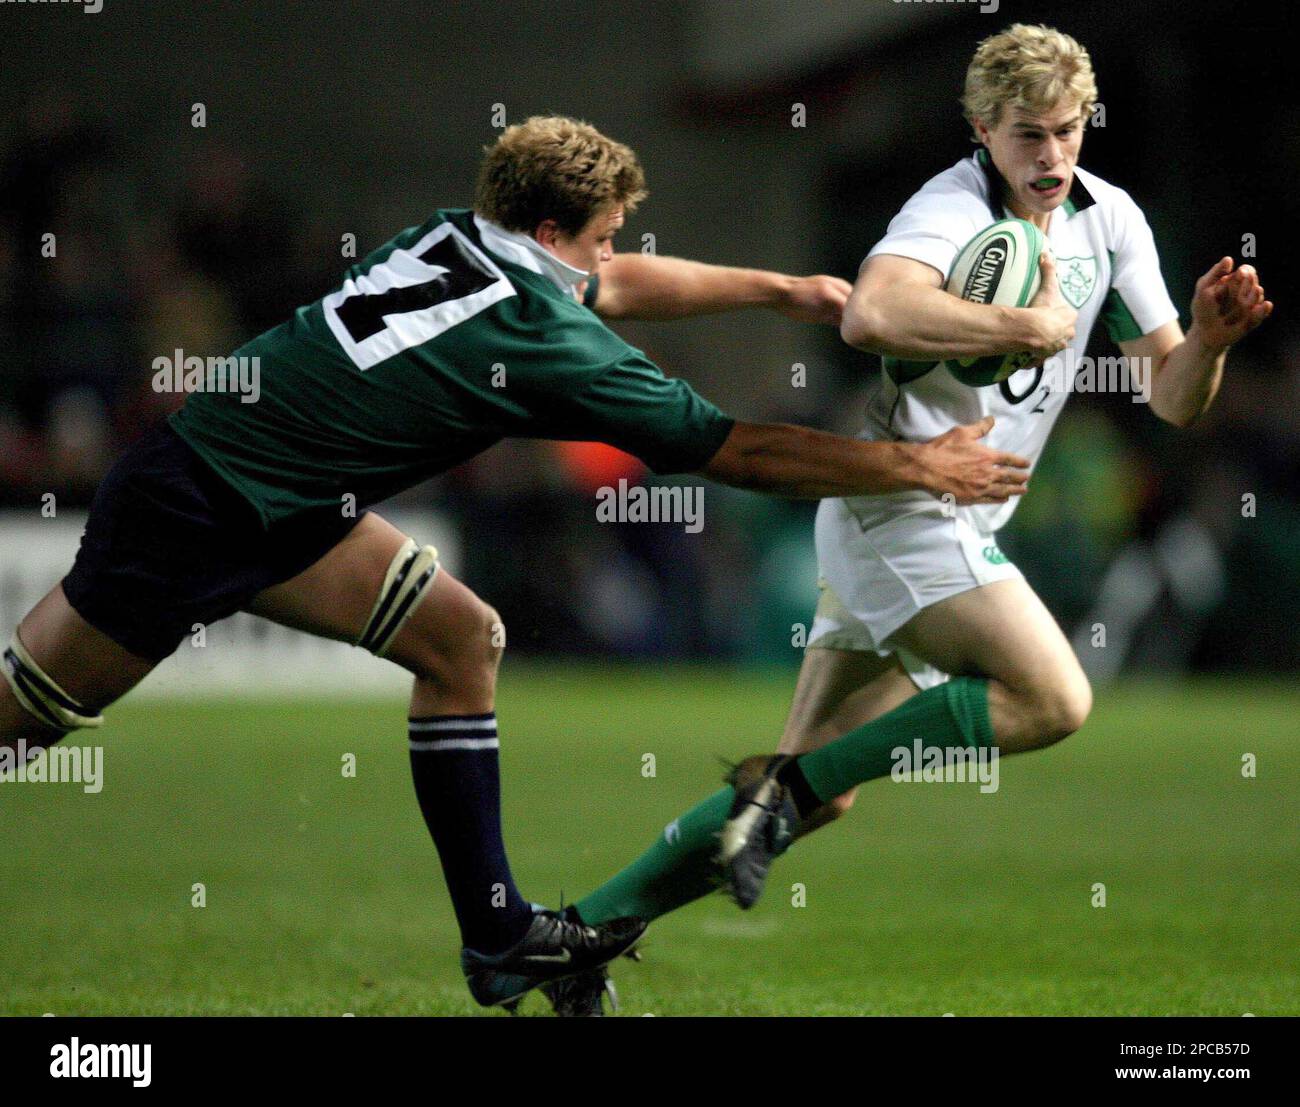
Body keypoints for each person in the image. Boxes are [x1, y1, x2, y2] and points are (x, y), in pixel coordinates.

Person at [0, 115, 1030, 1012]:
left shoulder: (450, 238)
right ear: (547, 236)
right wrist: (913, 462)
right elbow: (738, 450)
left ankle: (499, 939)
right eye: (601, 235)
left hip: (279, 491)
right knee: (24, 722)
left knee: (460, 639)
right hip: (196, 509)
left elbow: (614, 282)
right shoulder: (543, 337)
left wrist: (778, 290)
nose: (611, 257)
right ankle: (499, 938)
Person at [561, 24, 1272, 1015]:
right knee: (1052, 700)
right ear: (982, 128)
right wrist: (1019, 325)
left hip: (951, 521)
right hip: (904, 506)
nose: (1052, 156)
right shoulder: (945, 207)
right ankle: (790, 788)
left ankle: (573, 938)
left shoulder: (1110, 220)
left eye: (1068, 131)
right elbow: (869, 316)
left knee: (823, 790)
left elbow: (1170, 398)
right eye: (1028, 134)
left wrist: (1207, 341)